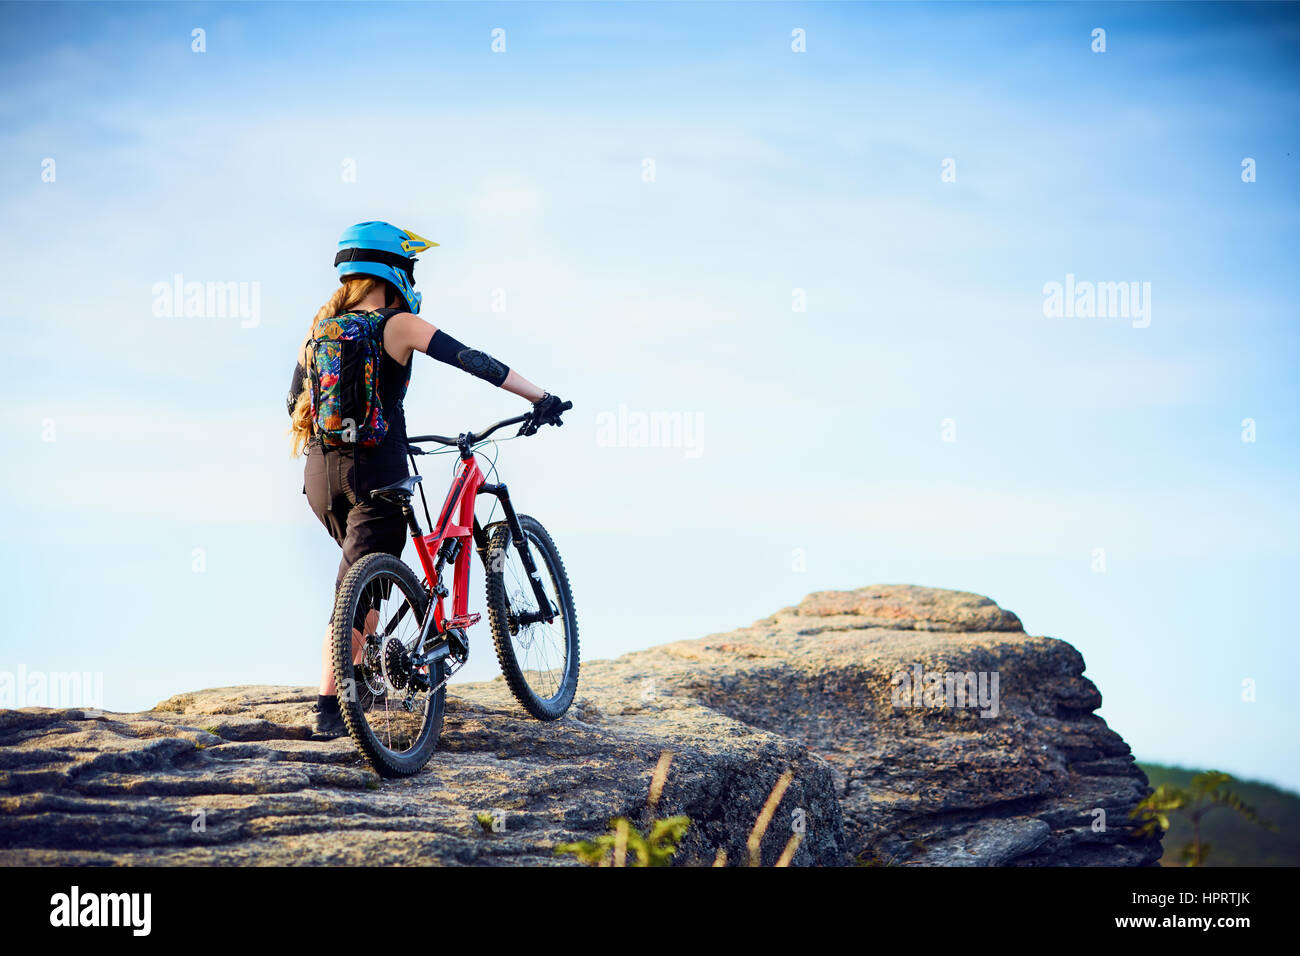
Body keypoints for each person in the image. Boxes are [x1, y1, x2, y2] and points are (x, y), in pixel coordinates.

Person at [286, 221, 567, 737]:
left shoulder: (317, 332)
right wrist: (539, 398)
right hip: (379, 474)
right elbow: (474, 361)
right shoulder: (399, 324)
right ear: (396, 271)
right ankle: (329, 709)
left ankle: (362, 679)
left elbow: (294, 404)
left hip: (320, 477)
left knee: (364, 577)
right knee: (357, 584)